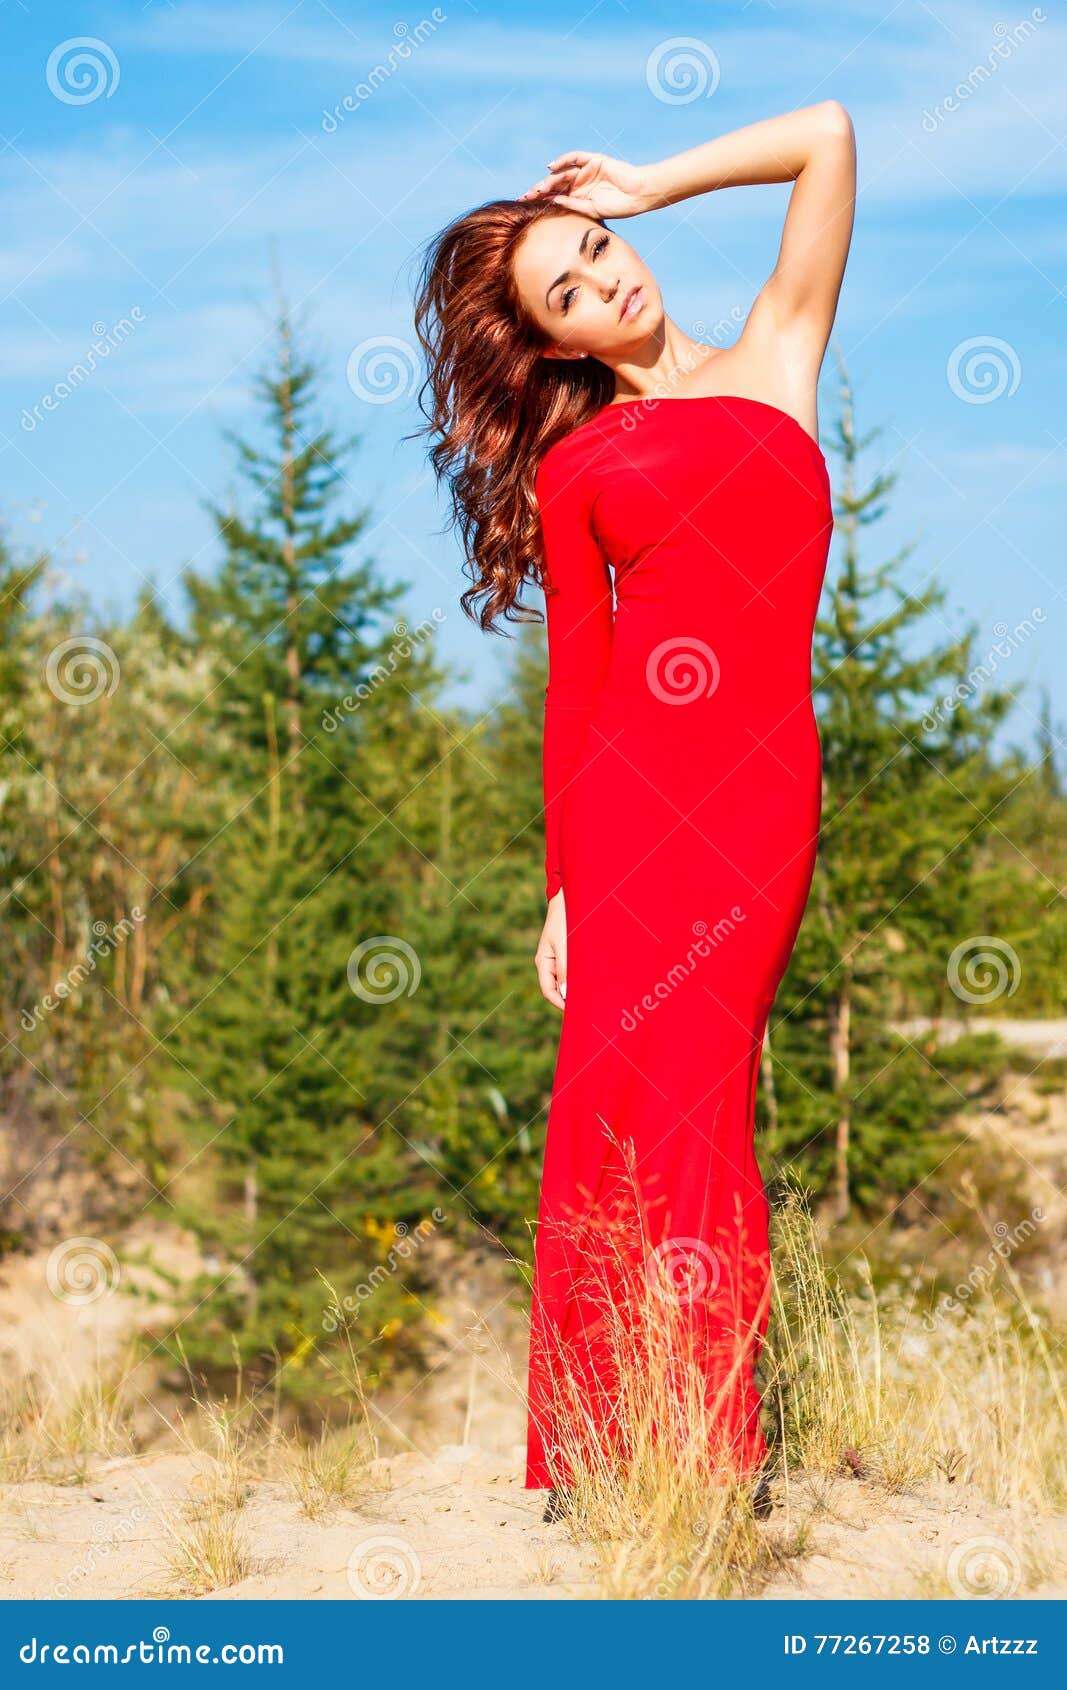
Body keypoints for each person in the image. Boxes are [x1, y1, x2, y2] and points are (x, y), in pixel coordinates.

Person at [414, 103, 856, 1521]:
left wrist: (654, 178)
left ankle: (711, 1448)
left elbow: (830, 136)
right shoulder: (575, 468)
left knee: (702, 1097)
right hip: (625, 822)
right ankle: (613, 1454)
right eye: (568, 291)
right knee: (610, 1110)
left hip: (760, 793)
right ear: (552, 346)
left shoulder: (777, 355)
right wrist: (559, 882)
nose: (607, 278)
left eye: (599, 249)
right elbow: (580, 689)